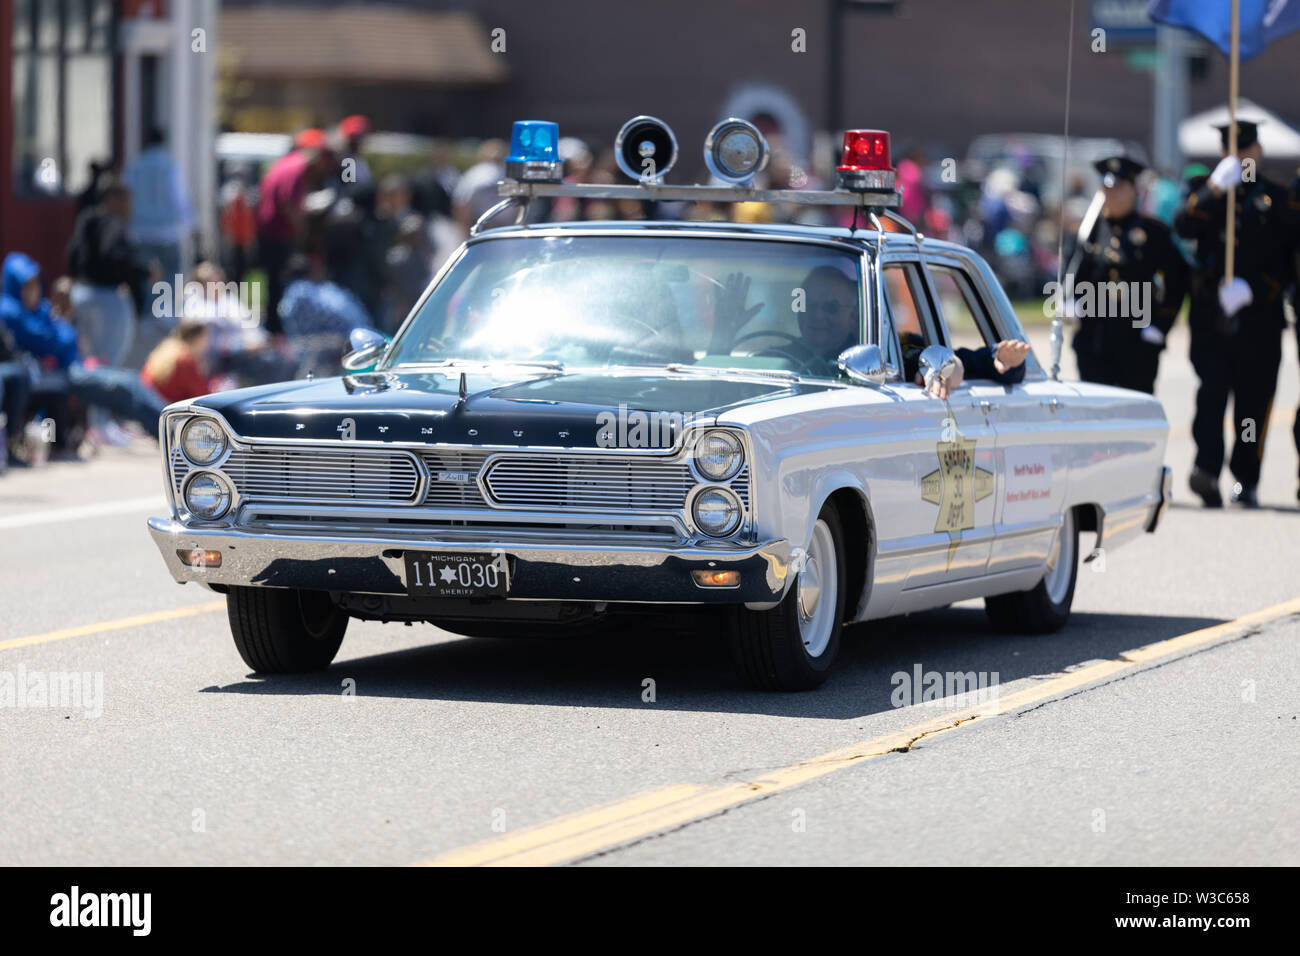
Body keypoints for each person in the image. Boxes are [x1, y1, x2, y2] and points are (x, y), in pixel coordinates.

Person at [1174, 121, 1300, 508]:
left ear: (1258, 151)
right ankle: (1207, 470)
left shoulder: (1276, 198)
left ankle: (1245, 476)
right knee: (1211, 396)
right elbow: (1183, 224)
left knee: (1251, 405)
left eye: (1246, 149)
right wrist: (1214, 189)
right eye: (1232, 149)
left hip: (1258, 319)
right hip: (1213, 317)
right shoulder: (1209, 191)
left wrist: (1255, 289)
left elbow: (1289, 261)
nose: (1240, 156)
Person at [0, 252, 164, 457]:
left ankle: (170, 432)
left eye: (35, 284)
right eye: (27, 285)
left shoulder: (39, 309)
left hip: (71, 367)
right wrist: (61, 332)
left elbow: (67, 337)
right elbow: (53, 341)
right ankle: (171, 433)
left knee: (130, 382)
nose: (33, 291)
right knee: (125, 387)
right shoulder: (9, 310)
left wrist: (62, 333)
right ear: (15, 285)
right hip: (52, 374)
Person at [1070, 156, 1188, 394]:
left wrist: (1160, 326)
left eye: (1119, 188)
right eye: (1107, 188)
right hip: (1095, 339)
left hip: (1137, 341)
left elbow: (1177, 281)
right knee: (1096, 415)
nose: (1111, 194)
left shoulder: (1153, 233)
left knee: (1134, 418)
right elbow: (1073, 271)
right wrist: (1070, 301)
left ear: (1135, 190)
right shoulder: (1089, 231)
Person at [65, 177, 154, 367]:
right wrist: (145, 272)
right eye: (126, 201)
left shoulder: (85, 218)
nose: (129, 208)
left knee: (86, 361)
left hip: (80, 295)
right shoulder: (112, 222)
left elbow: (71, 254)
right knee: (106, 365)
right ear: (112, 199)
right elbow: (114, 256)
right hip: (105, 301)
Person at [257, 130, 332, 332]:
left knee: (274, 286)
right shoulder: (298, 167)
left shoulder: (285, 163)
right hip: (279, 235)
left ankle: (273, 328)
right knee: (282, 287)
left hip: (269, 233)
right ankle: (278, 330)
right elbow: (288, 204)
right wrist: (303, 234)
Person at [122, 127, 195, 284]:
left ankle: (149, 308)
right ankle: (165, 308)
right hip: (168, 233)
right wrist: (191, 224)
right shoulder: (170, 166)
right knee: (170, 280)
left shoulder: (136, 165)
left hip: (142, 231)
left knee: (146, 279)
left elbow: (126, 194)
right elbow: (180, 197)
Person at [141, 320, 219, 404]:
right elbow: (203, 396)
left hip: (147, 401)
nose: (207, 344)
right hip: (162, 408)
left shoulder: (167, 348)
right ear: (197, 339)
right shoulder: (185, 360)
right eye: (205, 338)